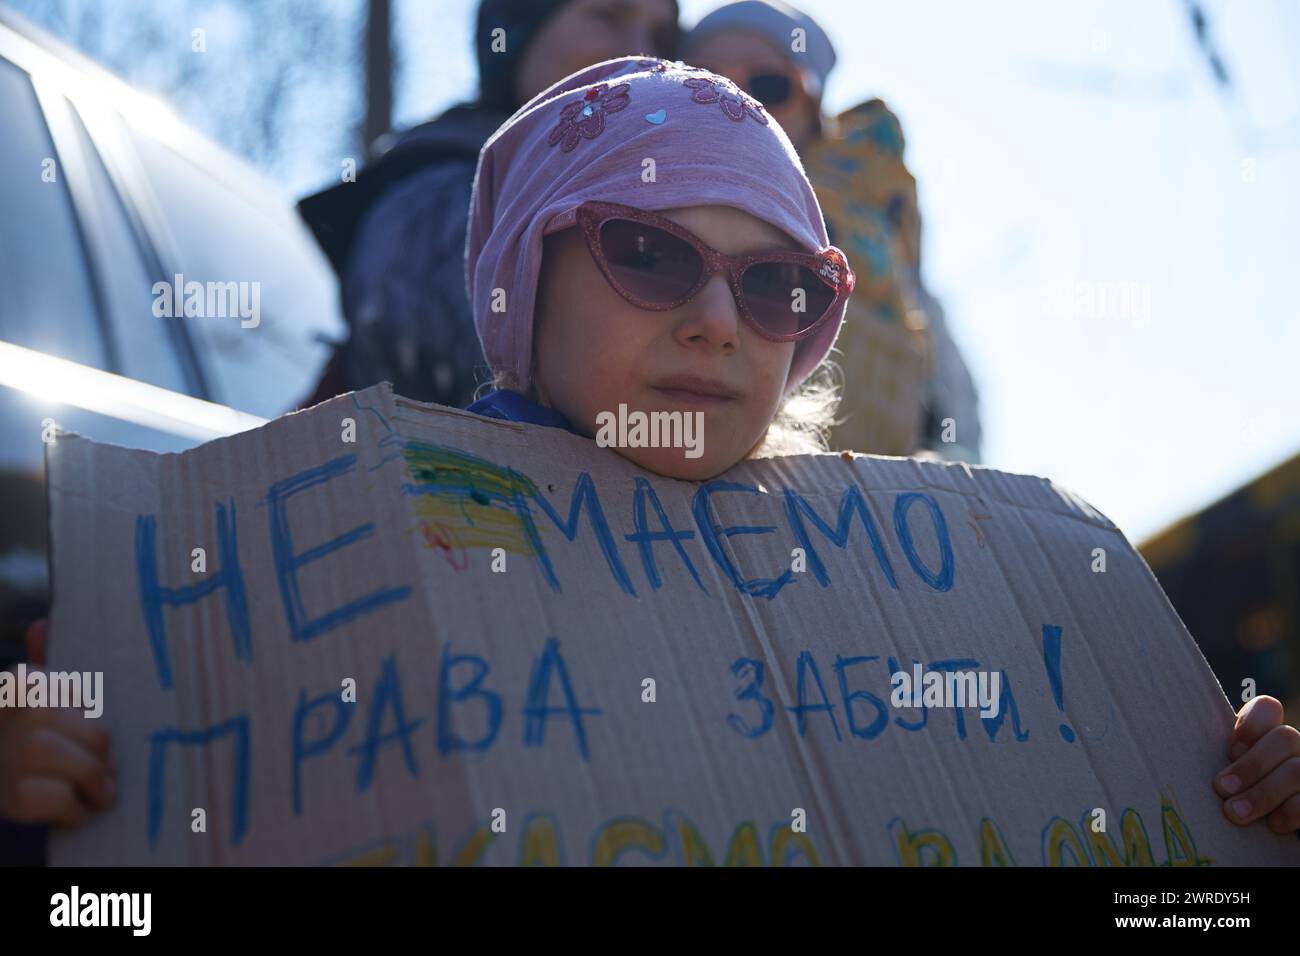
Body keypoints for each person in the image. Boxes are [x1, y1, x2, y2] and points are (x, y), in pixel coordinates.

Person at [5, 57, 1298, 852]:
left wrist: (1211, 773)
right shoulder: (323, 550)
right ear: (526, 283)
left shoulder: (919, 596)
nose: (716, 322)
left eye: (781, 287)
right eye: (648, 252)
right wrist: (45, 785)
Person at [298, 0, 680, 411]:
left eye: (661, 37)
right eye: (607, 16)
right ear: (518, 35)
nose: (643, 53)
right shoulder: (438, 199)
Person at [682, 0, 982, 461]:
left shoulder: (877, 229)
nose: (736, 101)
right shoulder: (629, 189)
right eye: (704, 83)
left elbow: (945, 393)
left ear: (815, 111)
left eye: (768, 85)